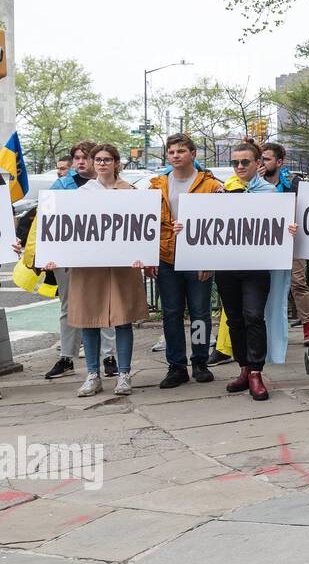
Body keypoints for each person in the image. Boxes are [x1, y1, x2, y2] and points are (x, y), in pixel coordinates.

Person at [198, 140, 298, 401]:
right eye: (235, 162)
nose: (239, 166)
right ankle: (243, 368)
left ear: (257, 163)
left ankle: (256, 371)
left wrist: (289, 230)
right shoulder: (222, 191)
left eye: (245, 162)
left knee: (254, 316)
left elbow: (281, 228)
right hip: (228, 266)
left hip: (256, 267)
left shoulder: (271, 193)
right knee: (234, 319)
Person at [58, 145, 148, 397]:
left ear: (117, 162)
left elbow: (140, 228)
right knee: (89, 319)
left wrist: (143, 254)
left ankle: (124, 375)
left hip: (122, 265)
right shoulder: (82, 193)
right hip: (89, 266)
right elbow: (69, 229)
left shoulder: (130, 192)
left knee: (122, 319)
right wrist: (57, 255)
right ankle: (92, 374)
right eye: (97, 159)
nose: (101, 164)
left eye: (107, 159)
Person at [148, 134, 224, 388]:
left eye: (181, 151)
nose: (175, 156)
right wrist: (150, 258)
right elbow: (147, 225)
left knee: (200, 313)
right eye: (171, 152)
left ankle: (200, 361)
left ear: (193, 154)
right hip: (166, 257)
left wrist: (209, 260)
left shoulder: (211, 186)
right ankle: (176, 366)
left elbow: (219, 226)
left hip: (197, 259)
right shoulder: (157, 185)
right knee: (170, 314)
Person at [45, 141, 116, 380]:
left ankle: (109, 356)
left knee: (105, 304)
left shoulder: (110, 185)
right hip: (68, 256)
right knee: (68, 305)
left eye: (85, 157)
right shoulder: (62, 184)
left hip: (102, 254)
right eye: (76, 157)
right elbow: (47, 220)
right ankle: (67, 357)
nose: (80, 161)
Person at [260, 143, 309, 344]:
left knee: (298, 283)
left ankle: (308, 327)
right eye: (261, 159)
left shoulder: (292, 186)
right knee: (264, 286)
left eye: (267, 159)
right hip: (263, 242)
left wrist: (297, 225)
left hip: (290, 241)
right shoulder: (253, 186)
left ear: (279, 162)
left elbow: (305, 213)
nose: (263, 163)